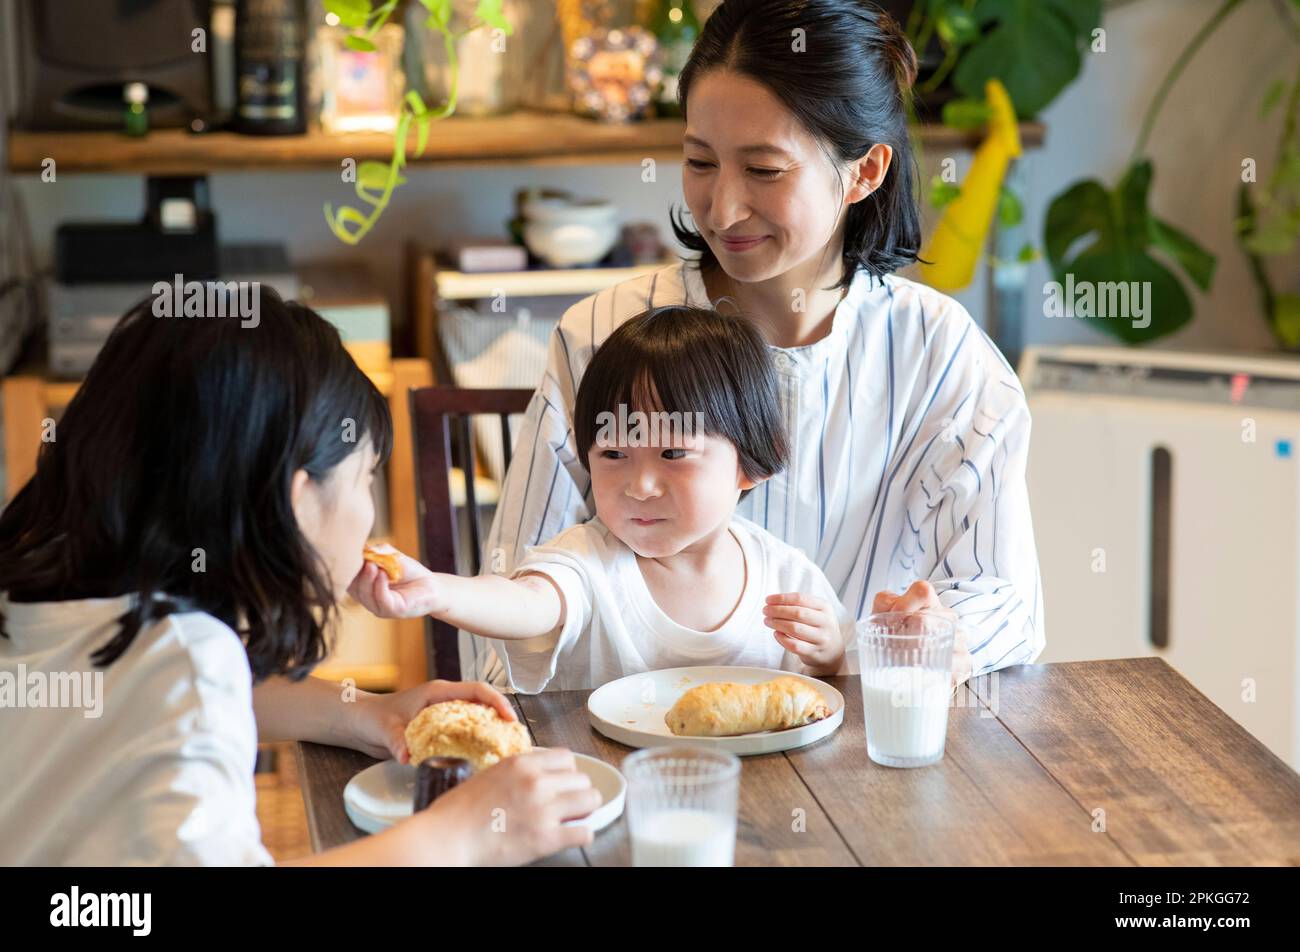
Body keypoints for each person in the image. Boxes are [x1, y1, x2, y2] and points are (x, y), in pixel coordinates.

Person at [470, 0, 1044, 689]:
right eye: (700, 162)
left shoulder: (942, 356)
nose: (723, 208)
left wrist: (919, 636)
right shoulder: (601, 331)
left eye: (765, 170)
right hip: (638, 758)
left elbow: (1007, 607)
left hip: (857, 758)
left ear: (865, 171)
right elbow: (508, 623)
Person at [0, 290, 600, 866]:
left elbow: (144, 705)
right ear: (296, 499)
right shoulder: (186, 659)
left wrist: (366, 714)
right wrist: (460, 837)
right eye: (366, 478)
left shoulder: (52, 592)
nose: (368, 511)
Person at [352, 305, 856, 692]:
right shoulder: (588, 562)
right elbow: (527, 603)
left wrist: (831, 654)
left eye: (673, 452)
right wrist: (439, 592)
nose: (639, 485)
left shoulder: (787, 576)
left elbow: (834, 686)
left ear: (750, 462)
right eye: (613, 453)